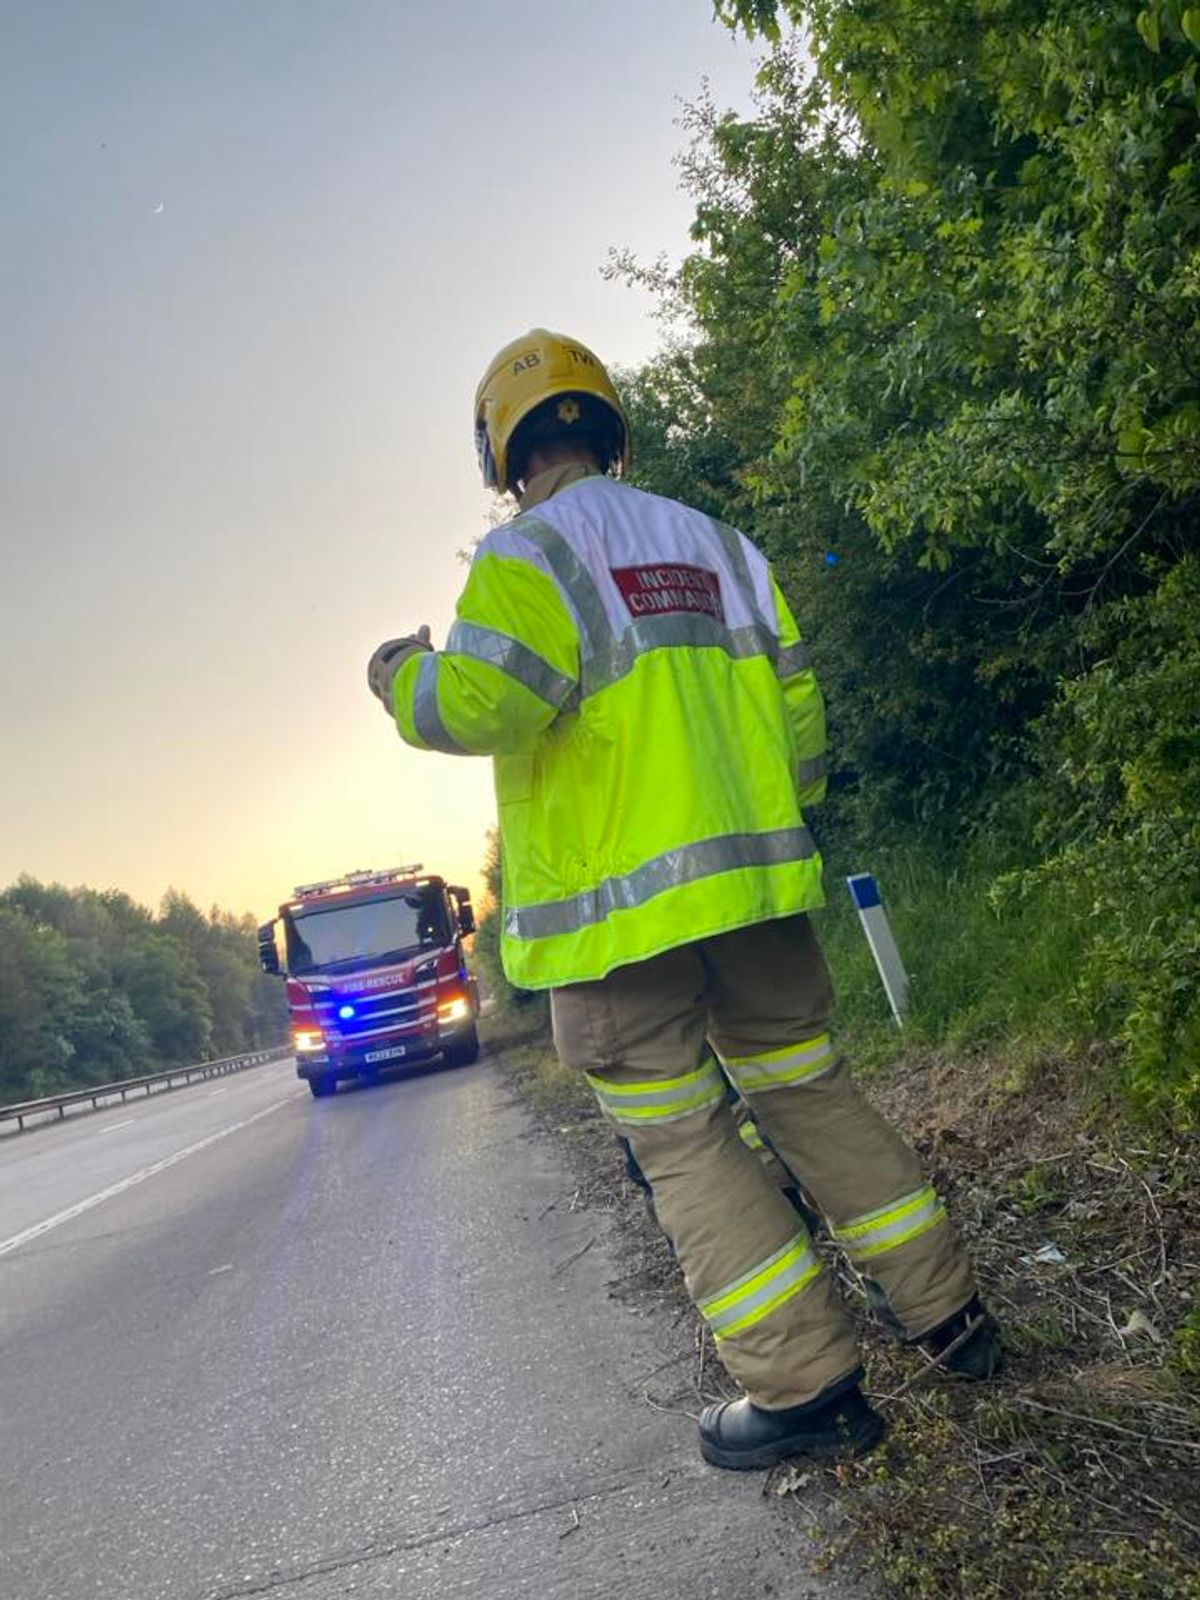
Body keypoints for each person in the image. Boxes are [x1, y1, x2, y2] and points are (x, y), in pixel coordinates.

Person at [367, 329, 1000, 1471]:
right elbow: (800, 724)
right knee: (810, 1090)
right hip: (758, 893)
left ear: (503, 452)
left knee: (685, 1142)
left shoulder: (529, 558)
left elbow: (481, 705)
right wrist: (766, 821)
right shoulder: (726, 548)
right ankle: (951, 1316)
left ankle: (810, 1389)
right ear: (610, 428)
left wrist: (397, 675)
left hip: (620, 928)